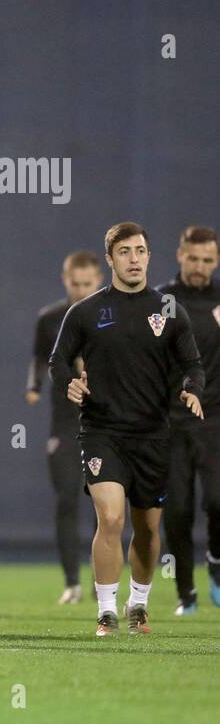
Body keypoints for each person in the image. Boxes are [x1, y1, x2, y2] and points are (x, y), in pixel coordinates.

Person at [50, 222, 204, 637]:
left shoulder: (169, 308)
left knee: (148, 527)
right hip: (102, 431)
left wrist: (191, 389)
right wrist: (71, 382)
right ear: (110, 259)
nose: (133, 259)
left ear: (150, 256)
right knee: (111, 517)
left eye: (140, 251)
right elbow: (58, 361)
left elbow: (192, 364)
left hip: (153, 434)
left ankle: (137, 603)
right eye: (124, 252)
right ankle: (105, 612)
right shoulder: (85, 311)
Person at [26, 250, 102, 603]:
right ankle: (72, 582)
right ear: (65, 279)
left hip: (107, 423)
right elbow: (40, 358)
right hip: (64, 424)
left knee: (110, 507)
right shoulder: (51, 318)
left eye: (88, 284)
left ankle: (107, 581)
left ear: (99, 280)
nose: (82, 290)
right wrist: (34, 386)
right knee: (67, 500)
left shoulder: (111, 316)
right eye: (76, 283)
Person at [155, 226, 220, 615]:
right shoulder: (163, 300)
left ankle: (215, 559)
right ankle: (186, 593)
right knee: (177, 509)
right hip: (172, 422)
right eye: (193, 259)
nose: (199, 267)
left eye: (208, 260)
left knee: (218, 500)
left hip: (216, 418)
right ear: (180, 256)